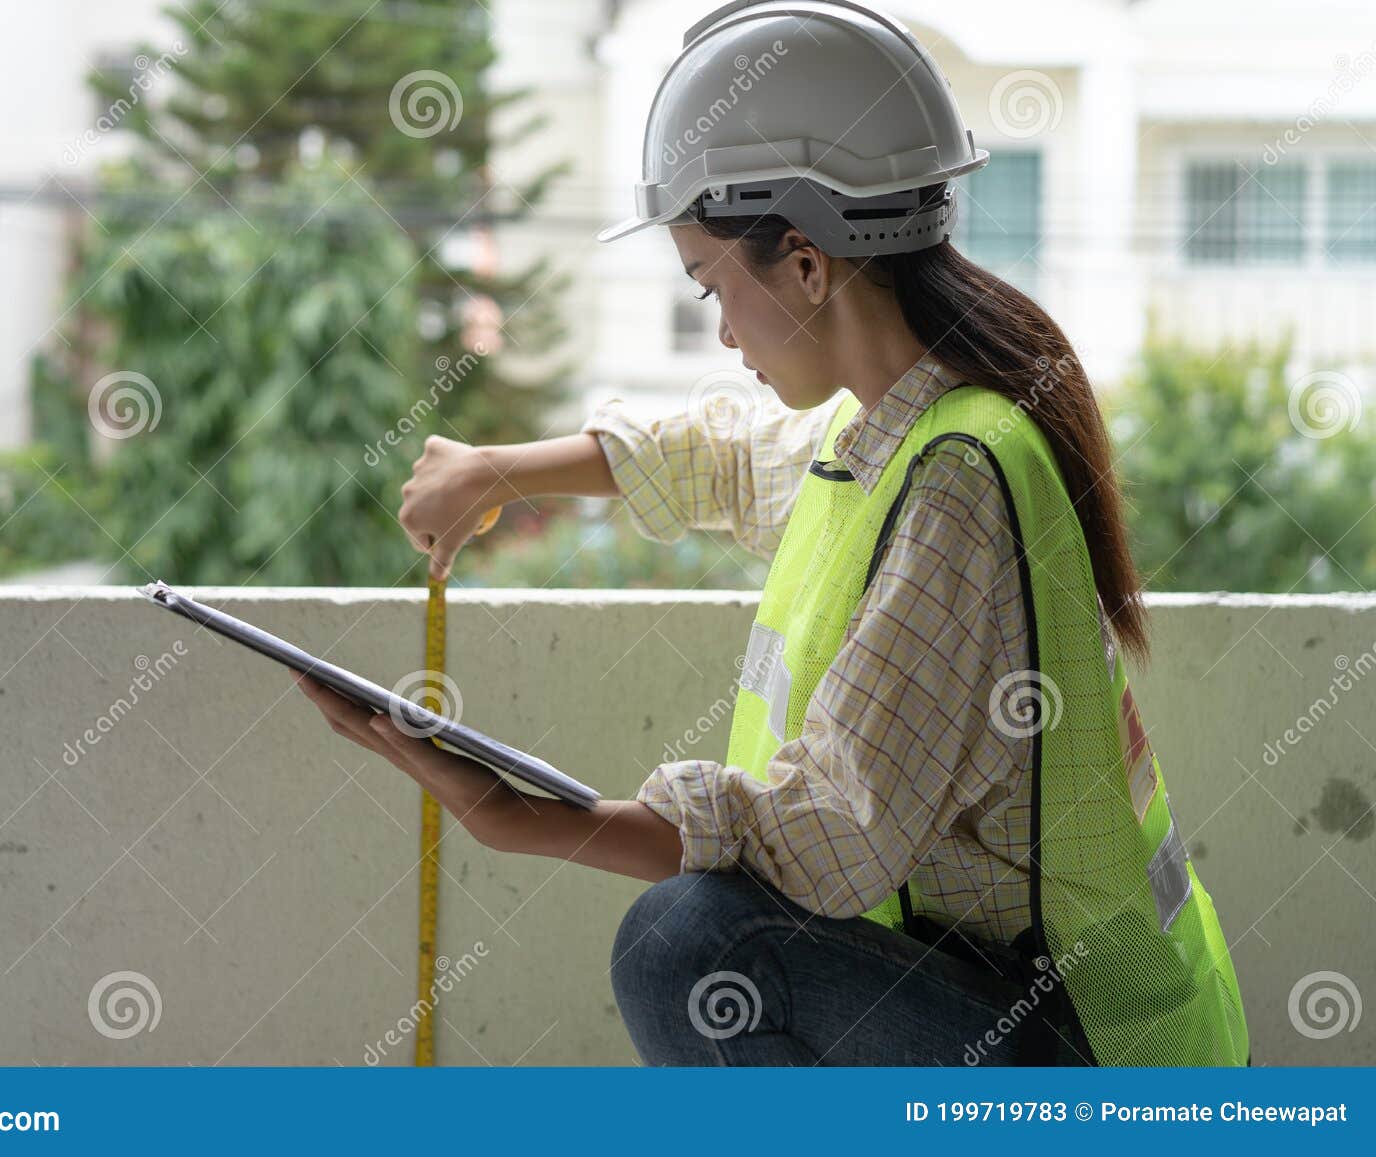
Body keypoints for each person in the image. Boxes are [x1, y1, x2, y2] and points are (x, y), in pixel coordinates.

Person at [297, 0, 1250, 1067]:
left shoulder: (956, 482)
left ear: (804, 261)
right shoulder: (896, 430)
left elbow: (835, 830)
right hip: (1022, 999)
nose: (718, 329)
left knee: (690, 942)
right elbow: (721, 456)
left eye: (712, 284)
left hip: (1097, 1054)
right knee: (697, 928)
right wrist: (500, 470)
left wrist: (524, 820)